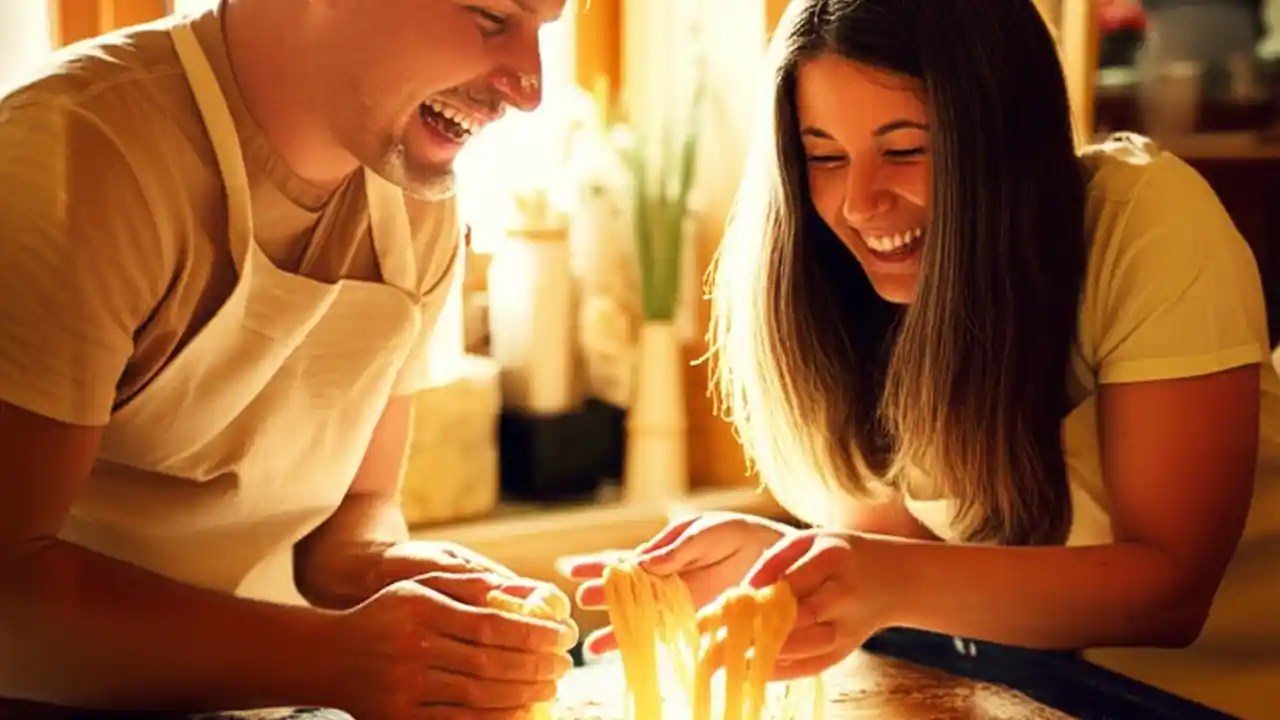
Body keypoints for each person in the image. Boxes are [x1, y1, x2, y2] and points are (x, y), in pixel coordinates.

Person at [564, 0, 1279, 717]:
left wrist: (878, 579)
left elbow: (1172, 597)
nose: (860, 204)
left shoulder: (1146, 221)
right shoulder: (842, 283)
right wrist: (786, 568)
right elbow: (906, 559)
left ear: (1003, 137)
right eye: (824, 157)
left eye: (905, 149)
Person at [0, 0, 577, 717]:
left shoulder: (416, 201)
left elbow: (353, 517)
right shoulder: (77, 157)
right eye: (493, 17)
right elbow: (9, 599)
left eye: (542, 30)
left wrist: (408, 583)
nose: (530, 86)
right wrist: (332, 658)